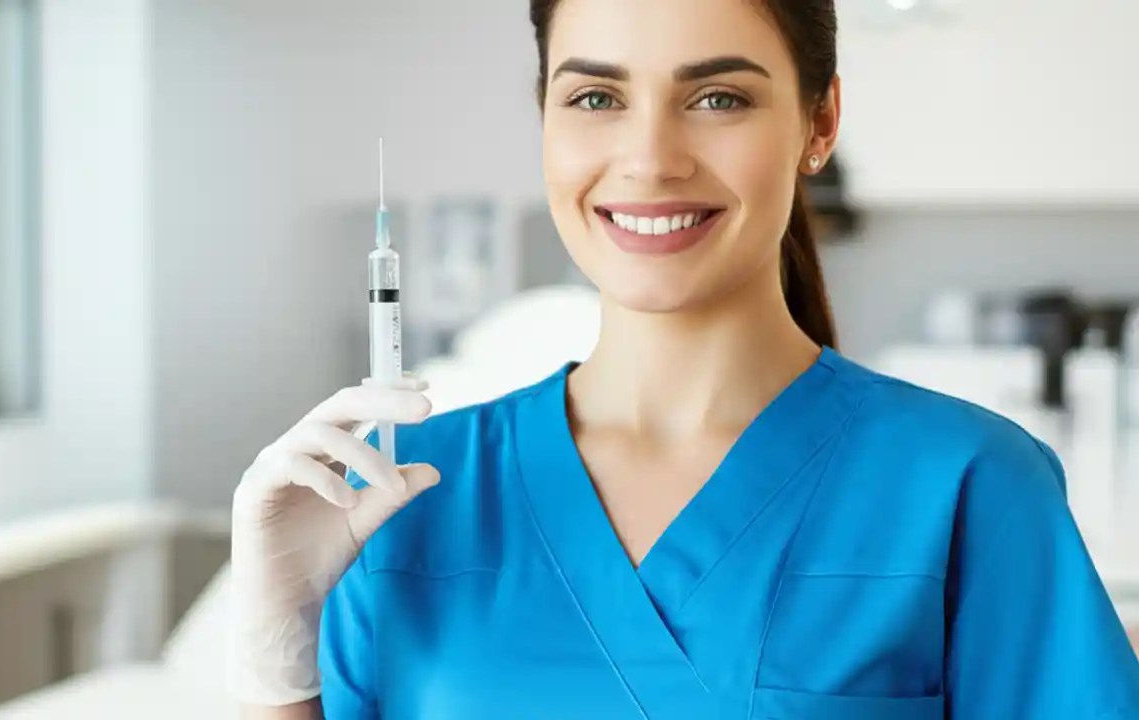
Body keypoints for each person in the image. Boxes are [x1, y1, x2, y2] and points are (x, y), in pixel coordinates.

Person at [227, 0, 1139, 717]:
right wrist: (275, 667)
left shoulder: (965, 483)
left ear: (820, 122)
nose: (651, 159)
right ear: (545, 118)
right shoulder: (402, 492)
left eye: (718, 97)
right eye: (596, 97)